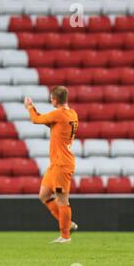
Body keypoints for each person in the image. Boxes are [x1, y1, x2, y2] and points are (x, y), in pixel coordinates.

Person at [24, 86, 79, 243]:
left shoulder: (59, 114)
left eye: (51, 98)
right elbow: (55, 126)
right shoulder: (72, 114)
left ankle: (65, 235)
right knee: (44, 195)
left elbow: (35, 119)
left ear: (55, 99)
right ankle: (68, 224)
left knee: (62, 199)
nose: (50, 100)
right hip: (55, 164)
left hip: (62, 164)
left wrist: (30, 107)